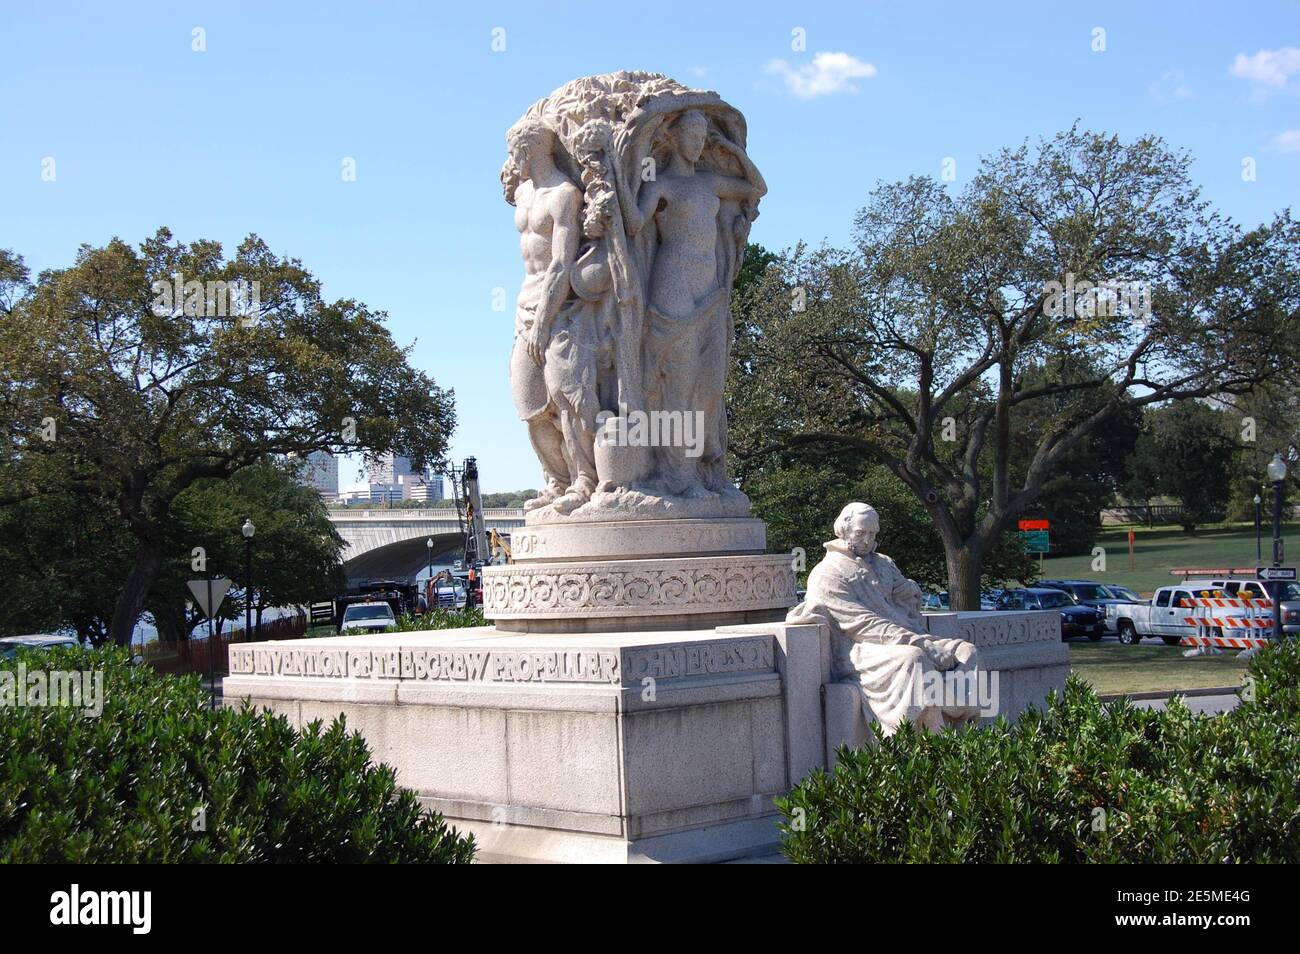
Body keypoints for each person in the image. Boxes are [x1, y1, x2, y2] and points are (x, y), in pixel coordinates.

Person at [789, 502, 982, 735]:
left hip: (906, 637)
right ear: (843, 529)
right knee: (913, 659)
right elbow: (864, 624)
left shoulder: (883, 564)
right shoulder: (827, 573)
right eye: (861, 533)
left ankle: (964, 729)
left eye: (872, 534)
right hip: (861, 649)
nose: (868, 540)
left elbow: (905, 595)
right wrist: (926, 645)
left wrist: (910, 592)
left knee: (967, 651)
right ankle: (911, 735)